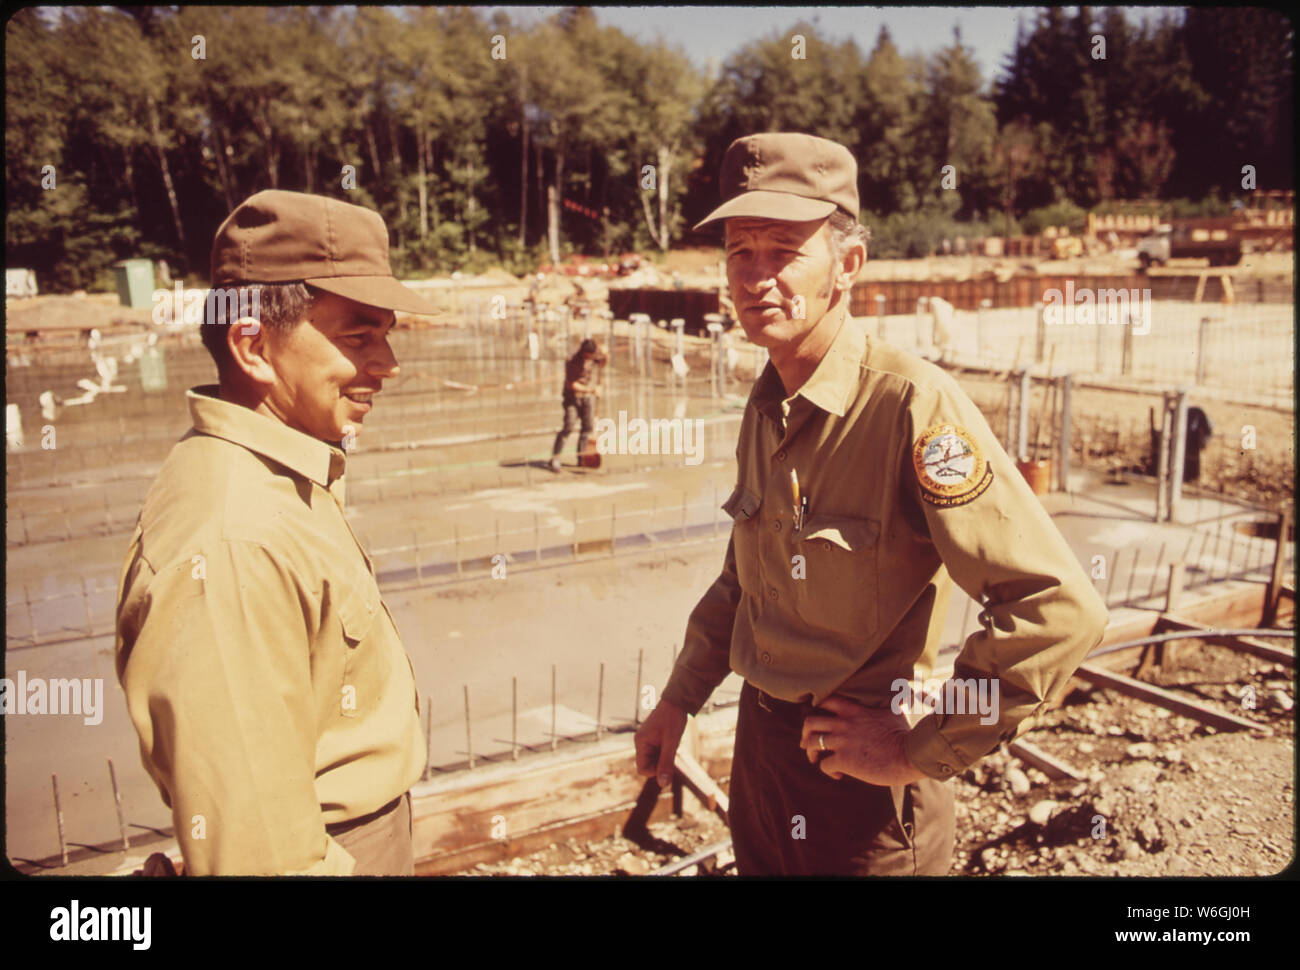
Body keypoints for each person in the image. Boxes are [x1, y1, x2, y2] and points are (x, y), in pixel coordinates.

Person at [634, 133, 1109, 876]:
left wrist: (922, 748)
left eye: (785, 251)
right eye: (739, 252)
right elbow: (744, 580)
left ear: (847, 265)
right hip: (762, 761)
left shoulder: (910, 407)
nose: (758, 277)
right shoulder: (769, 403)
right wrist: (679, 699)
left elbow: (1058, 611)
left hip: (864, 800)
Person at [115, 190, 438, 875]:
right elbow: (260, 854)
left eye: (386, 333)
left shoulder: (283, 470)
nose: (387, 364)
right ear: (253, 345)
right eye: (359, 336)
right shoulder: (232, 542)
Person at [550, 337, 606, 471]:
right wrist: (592, 390)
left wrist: (605, 354)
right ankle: (555, 458)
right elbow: (571, 384)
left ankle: (582, 458)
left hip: (587, 398)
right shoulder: (572, 361)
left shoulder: (594, 356)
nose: (590, 357)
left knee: (587, 428)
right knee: (568, 426)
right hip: (572, 398)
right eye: (588, 355)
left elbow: (604, 361)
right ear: (583, 352)